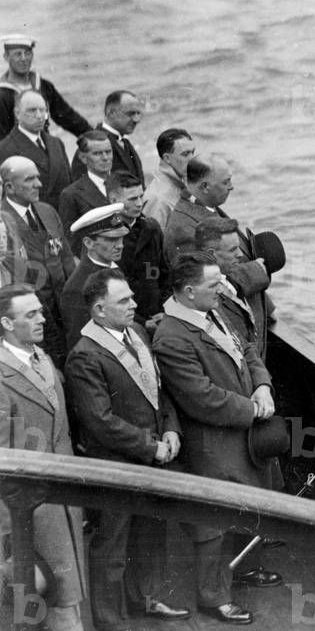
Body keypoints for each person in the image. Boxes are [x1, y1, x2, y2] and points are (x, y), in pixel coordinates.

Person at [152, 252, 282, 625]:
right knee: (213, 522)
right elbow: (201, 398)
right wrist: (252, 409)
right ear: (189, 291)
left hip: (239, 432)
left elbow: (248, 351)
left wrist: (263, 386)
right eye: (214, 284)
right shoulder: (171, 337)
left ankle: (239, 571)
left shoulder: (213, 311)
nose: (222, 288)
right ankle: (214, 597)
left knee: (247, 505)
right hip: (211, 444)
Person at [63, 269, 190, 631]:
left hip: (152, 454)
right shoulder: (84, 356)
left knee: (150, 532)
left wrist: (170, 428)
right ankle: (109, 619)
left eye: (132, 297)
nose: (134, 304)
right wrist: (152, 446)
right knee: (112, 542)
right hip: (116, 463)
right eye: (125, 301)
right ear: (100, 310)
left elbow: (158, 389)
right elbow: (99, 421)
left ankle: (146, 597)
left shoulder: (135, 334)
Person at [0, 283, 87, 631]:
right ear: (7, 324)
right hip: (30, 515)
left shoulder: (41, 358)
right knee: (43, 607)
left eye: (40, 311)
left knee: (66, 598)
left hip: (62, 505)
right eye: (31, 314)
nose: (42, 319)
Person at [0, 156, 75, 366]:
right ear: (9, 187)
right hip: (31, 322)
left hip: (64, 314)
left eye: (38, 178)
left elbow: (67, 259)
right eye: (29, 180)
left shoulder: (47, 211)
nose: (38, 184)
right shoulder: (2, 224)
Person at [195, 217, 270, 359]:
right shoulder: (205, 300)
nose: (240, 255)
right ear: (211, 254)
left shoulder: (226, 278)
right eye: (233, 250)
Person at [60, 204, 128, 349]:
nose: (120, 245)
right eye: (111, 240)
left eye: (121, 238)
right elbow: (80, 343)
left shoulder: (113, 268)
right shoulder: (77, 287)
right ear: (89, 243)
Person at [108, 172, 169, 330]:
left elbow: (163, 274)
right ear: (113, 200)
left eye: (141, 197)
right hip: (127, 321)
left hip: (158, 316)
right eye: (132, 199)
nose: (140, 203)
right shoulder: (106, 236)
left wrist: (164, 311)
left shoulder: (151, 228)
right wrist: (142, 322)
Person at [0, 34, 91, 140]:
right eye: (17, 54)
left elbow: (67, 116)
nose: (24, 58)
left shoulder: (43, 86)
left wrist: (92, 135)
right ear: (6, 57)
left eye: (27, 53)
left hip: (45, 145)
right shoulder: (3, 94)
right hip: (16, 151)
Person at [0, 89, 73, 209]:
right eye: (32, 110)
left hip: (64, 219)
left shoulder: (56, 143)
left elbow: (69, 185)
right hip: (34, 221)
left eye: (43, 110)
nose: (39, 116)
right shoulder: (5, 149)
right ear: (17, 114)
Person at [71, 91, 145, 187]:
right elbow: (81, 190)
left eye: (138, 113)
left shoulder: (124, 142)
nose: (136, 120)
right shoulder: (92, 144)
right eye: (131, 114)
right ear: (111, 113)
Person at [59, 130, 113, 247]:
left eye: (108, 152)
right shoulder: (71, 195)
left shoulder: (121, 184)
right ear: (83, 158)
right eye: (97, 153)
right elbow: (70, 242)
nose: (105, 158)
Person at [141, 128, 196, 230]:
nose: (192, 159)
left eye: (193, 152)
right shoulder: (158, 199)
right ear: (167, 158)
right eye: (185, 154)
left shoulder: (179, 185)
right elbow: (153, 243)